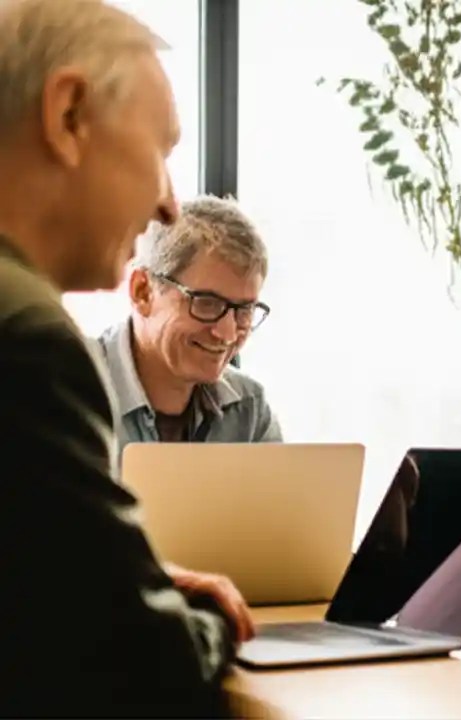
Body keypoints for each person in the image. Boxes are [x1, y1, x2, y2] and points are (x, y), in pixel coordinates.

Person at [0, 0, 247, 714]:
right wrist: (201, 624)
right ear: (69, 114)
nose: (170, 205)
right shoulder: (29, 338)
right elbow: (143, 664)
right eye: (162, 150)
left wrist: (129, 582)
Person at [99, 195, 280, 460]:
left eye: (244, 310)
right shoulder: (65, 390)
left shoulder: (248, 409)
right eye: (207, 304)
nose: (228, 334)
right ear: (143, 292)